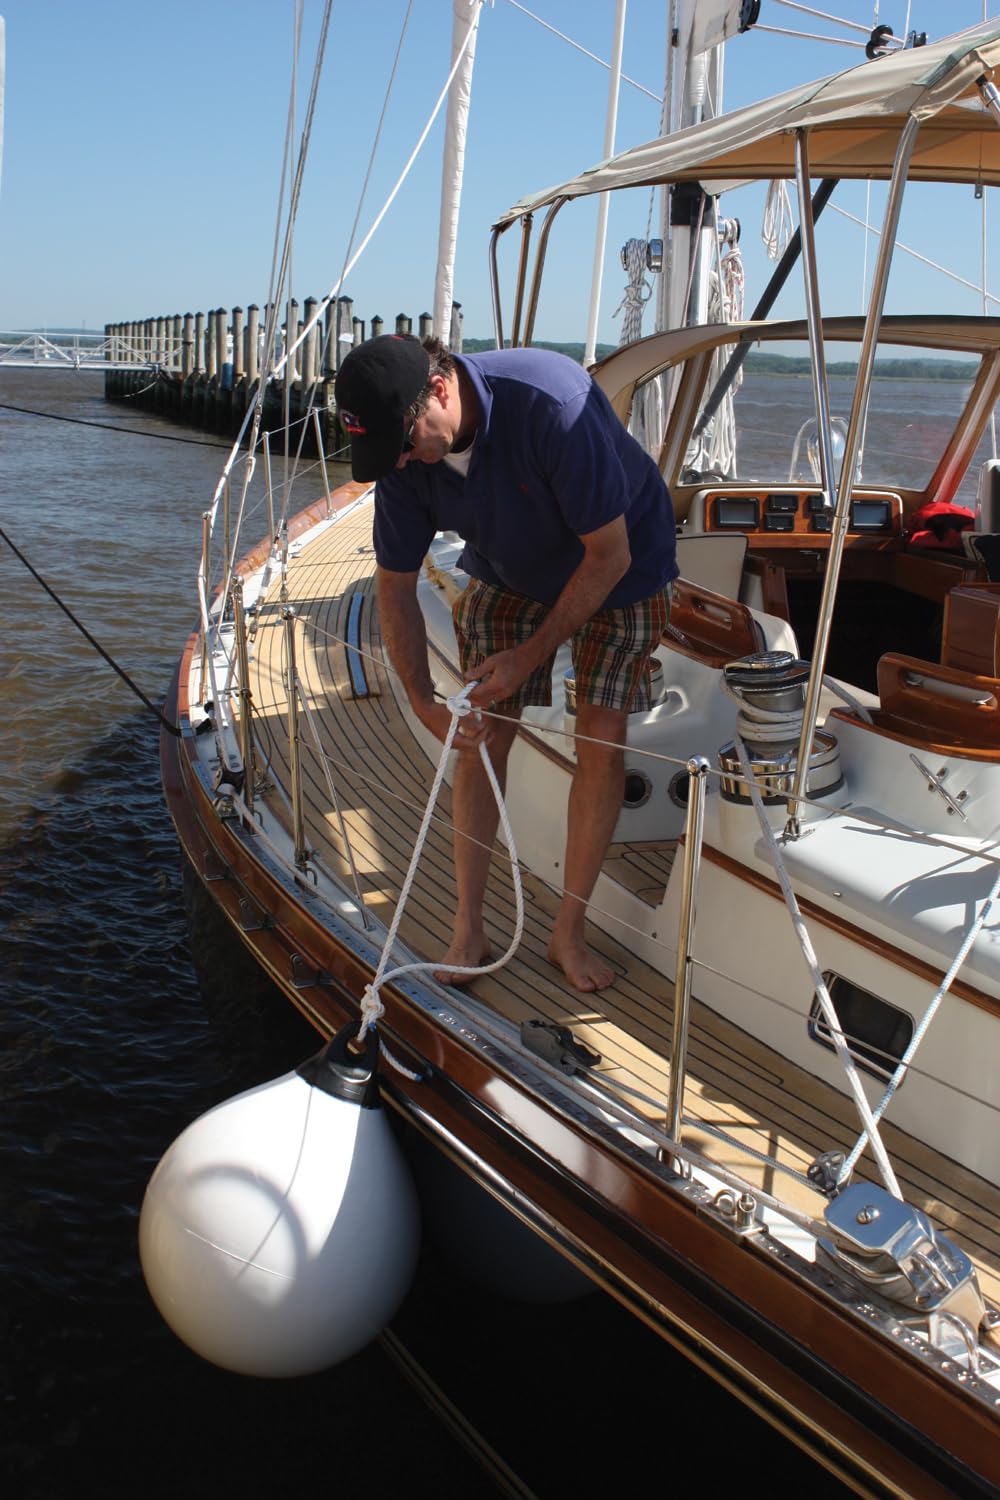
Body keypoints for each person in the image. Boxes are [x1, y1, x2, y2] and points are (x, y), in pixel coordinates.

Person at [334, 334, 677, 993]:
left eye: (405, 443)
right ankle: (470, 927)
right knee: (481, 739)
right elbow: (395, 587)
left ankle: (566, 934)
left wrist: (528, 656)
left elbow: (608, 556)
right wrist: (422, 699)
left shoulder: (551, 405)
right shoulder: (402, 464)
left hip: (623, 566)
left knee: (601, 738)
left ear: (437, 391)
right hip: (510, 570)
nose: (402, 461)